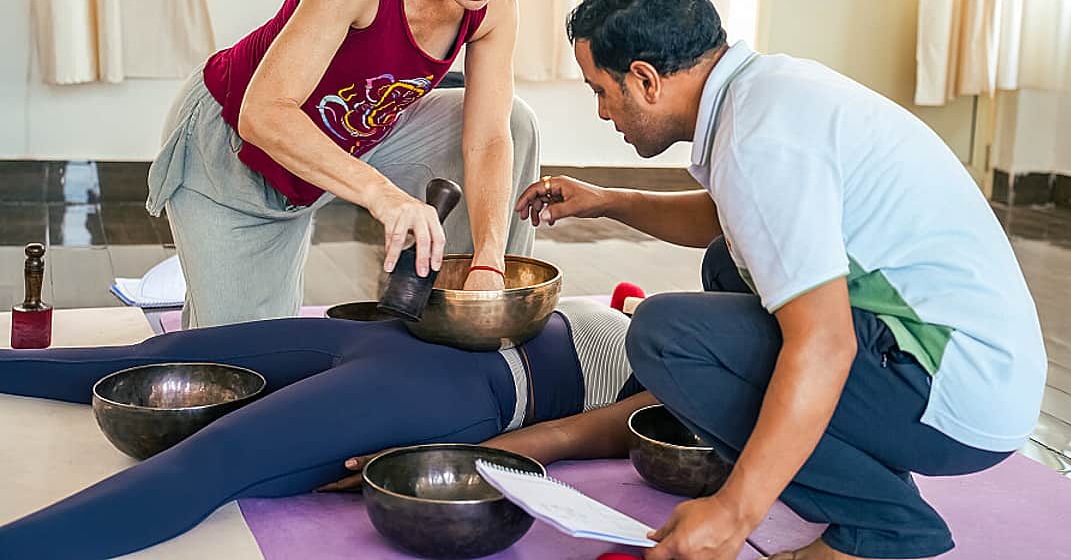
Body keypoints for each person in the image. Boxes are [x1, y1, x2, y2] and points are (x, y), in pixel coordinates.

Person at [513, 0, 1048, 560]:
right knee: (726, 264)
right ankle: (855, 483)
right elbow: (736, 218)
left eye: (599, 90)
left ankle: (883, 524)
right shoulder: (766, 92)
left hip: (955, 394)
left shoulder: (756, 139)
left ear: (644, 80)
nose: (602, 112)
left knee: (667, 336)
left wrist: (732, 514)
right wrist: (610, 200)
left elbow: (825, 345)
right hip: (971, 371)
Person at [146, 0, 544, 328]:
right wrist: (384, 197)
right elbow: (264, 113)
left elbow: (487, 140)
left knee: (515, 122)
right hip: (232, 143)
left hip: (356, 135)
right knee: (248, 362)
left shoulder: (494, 2)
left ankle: (466, 299)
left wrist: (488, 258)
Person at [0, 299, 650, 559]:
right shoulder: (685, 317)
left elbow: (571, 437)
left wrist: (440, 457)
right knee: (158, 352)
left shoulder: (690, 396)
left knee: (214, 458)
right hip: (398, 337)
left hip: (451, 393)